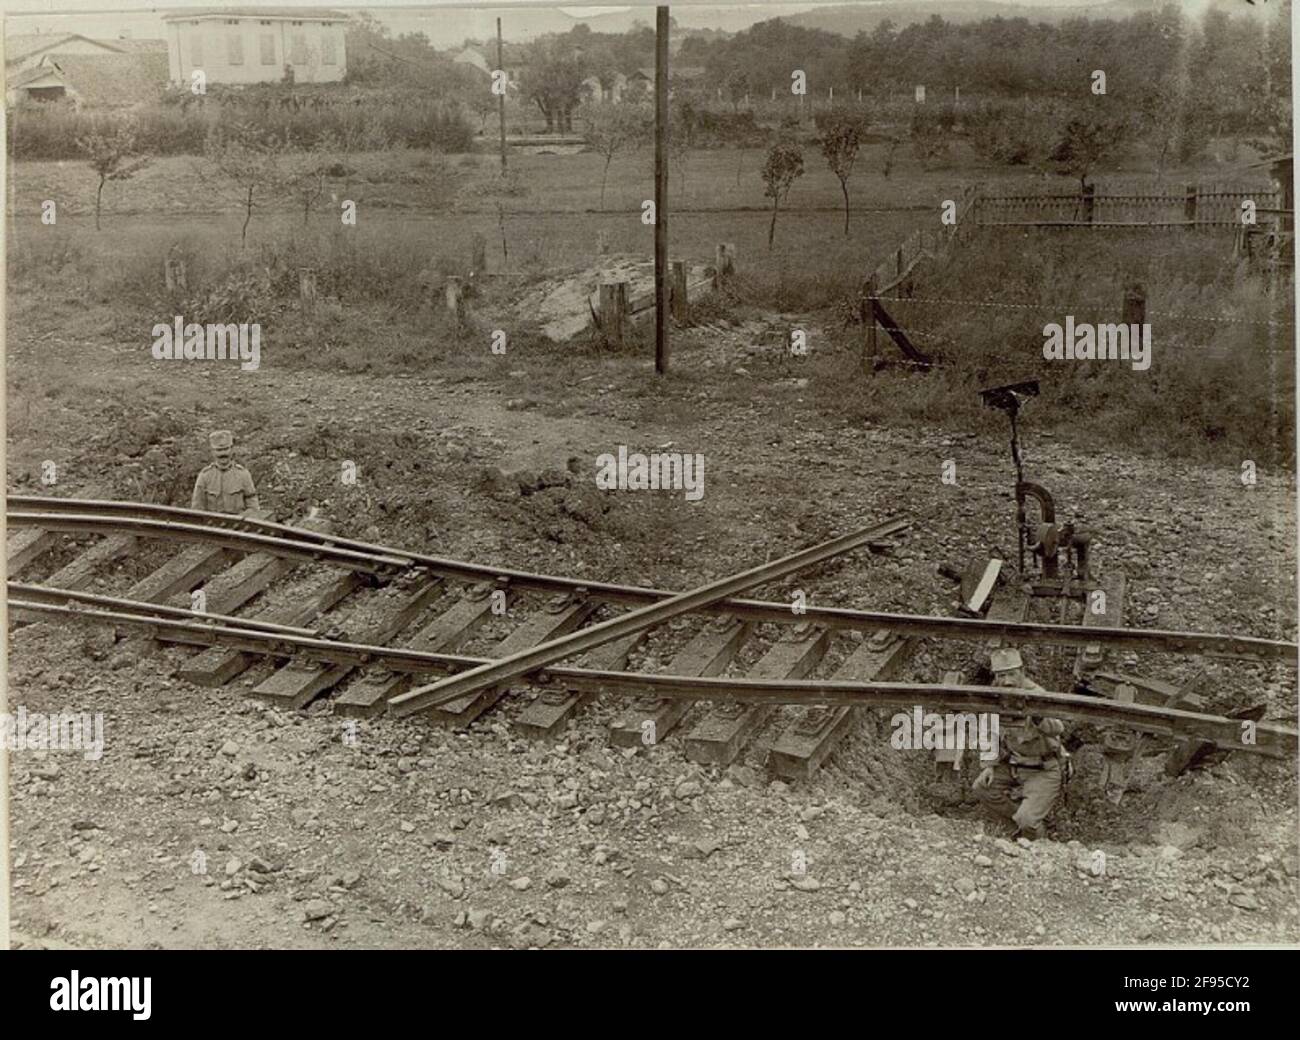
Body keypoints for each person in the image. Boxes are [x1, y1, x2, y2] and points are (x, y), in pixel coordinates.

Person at [973, 647, 1070, 840]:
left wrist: (1037, 717)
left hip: (1043, 769)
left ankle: (1036, 837)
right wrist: (989, 766)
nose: (1007, 681)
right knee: (981, 788)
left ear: (1022, 672)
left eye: (1011, 674)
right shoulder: (994, 696)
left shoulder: (1037, 694)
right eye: (1001, 675)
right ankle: (1020, 825)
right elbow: (988, 731)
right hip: (1014, 765)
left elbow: (1058, 727)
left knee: (1027, 820)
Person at [191, 430, 260, 515]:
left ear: (232, 449)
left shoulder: (243, 475)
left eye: (226, 449)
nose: (223, 454)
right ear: (212, 452)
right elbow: (197, 509)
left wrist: (242, 518)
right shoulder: (204, 476)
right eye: (219, 450)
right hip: (212, 525)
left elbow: (253, 507)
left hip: (237, 525)